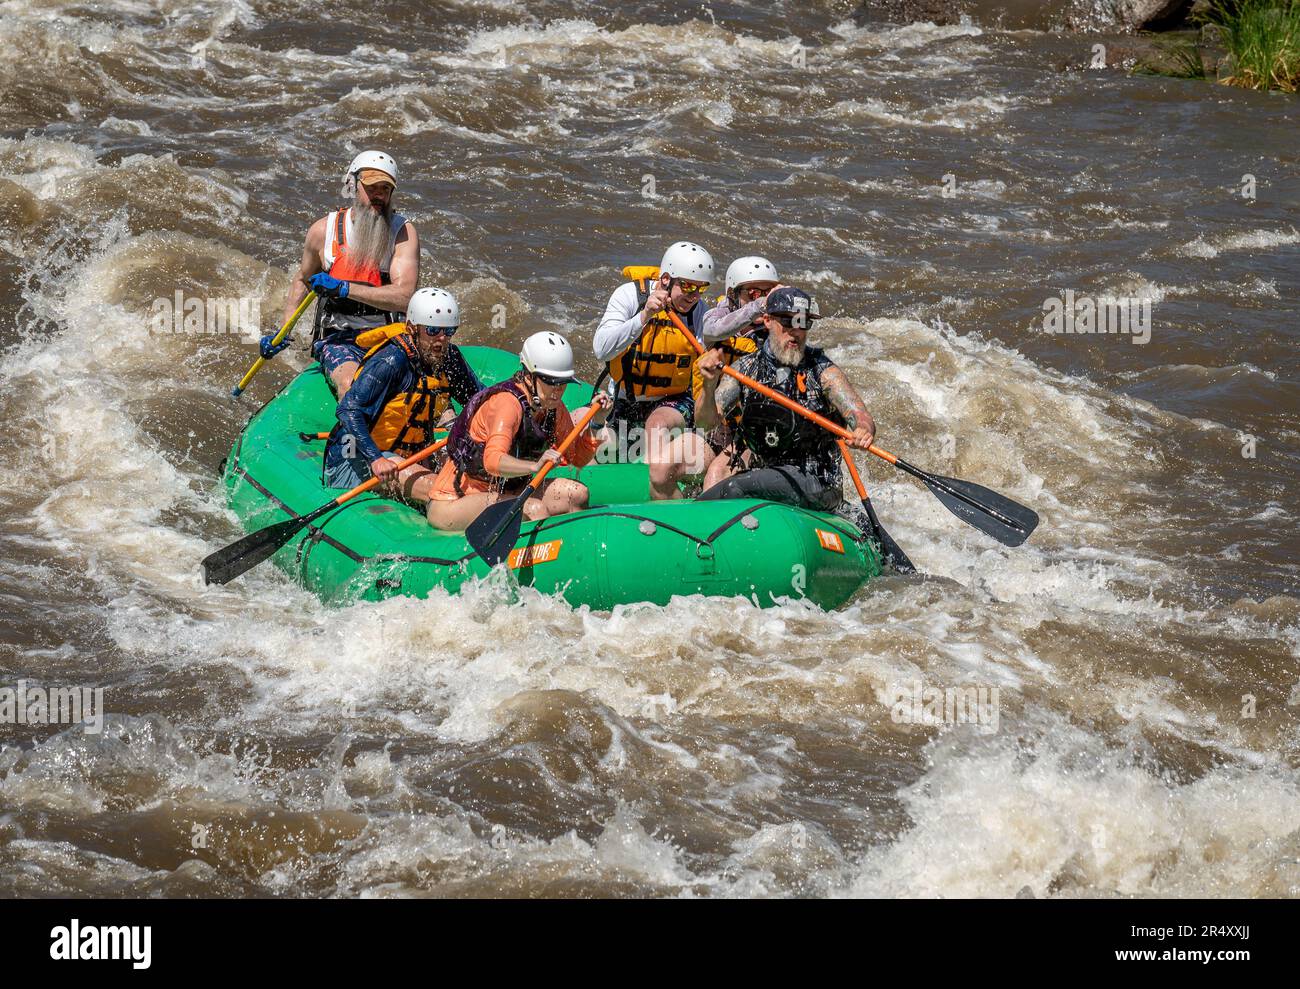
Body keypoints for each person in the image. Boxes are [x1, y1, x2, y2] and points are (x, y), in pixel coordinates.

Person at [695, 287, 876, 512]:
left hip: (816, 482)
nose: (796, 331)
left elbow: (859, 415)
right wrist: (709, 385)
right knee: (726, 482)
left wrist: (863, 430)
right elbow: (705, 423)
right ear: (768, 320)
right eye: (787, 322)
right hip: (764, 474)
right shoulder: (744, 368)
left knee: (734, 487)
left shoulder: (822, 371)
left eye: (803, 322)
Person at [263, 151, 419, 398]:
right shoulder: (322, 231)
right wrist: (284, 331)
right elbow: (302, 281)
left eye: (385, 188)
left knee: (419, 391)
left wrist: (345, 288)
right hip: (340, 338)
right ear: (352, 185)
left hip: (389, 334)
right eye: (371, 187)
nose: (379, 195)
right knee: (352, 385)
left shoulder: (402, 233)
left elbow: (405, 297)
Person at [427, 332, 612, 531]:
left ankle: (575, 552)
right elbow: (492, 461)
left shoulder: (553, 409)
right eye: (551, 381)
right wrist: (534, 467)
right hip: (454, 500)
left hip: (508, 491)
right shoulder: (507, 404)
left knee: (577, 493)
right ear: (529, 376)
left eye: (563, 382)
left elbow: (577, 458)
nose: (558, 390)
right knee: (534, 509)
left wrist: (597, 422)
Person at [593, 241, 728, 500]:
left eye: (702, 288)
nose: (694, 296)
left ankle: (658, 501)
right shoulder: (629, 296)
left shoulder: (698, 311)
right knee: (592, 448)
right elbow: (602, 349)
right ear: (665, 279)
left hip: (674, 401)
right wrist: (643, 317)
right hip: (625, 401)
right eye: (688, 286)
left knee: (656, 425)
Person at [324, 287, 483, 503]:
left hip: (410, 454)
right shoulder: (391, 361)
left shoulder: (449, 358)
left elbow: (480, 399)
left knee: (474, 474)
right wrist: (376, 459)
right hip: (356, 458)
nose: (441, 339)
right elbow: (348, 410)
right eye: (432, 330)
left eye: (449, 331)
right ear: (412, 328)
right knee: (442, 491)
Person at [696, 256, 784, 490]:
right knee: (667, 466)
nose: (763, 299)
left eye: (768, 293)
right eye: (754, 293)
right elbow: (713, 330)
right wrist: (758, 306)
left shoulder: (779, 327)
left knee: (716, 475)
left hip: (756, 431)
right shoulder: (714, 317)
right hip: (716, 421)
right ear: (733, 294)